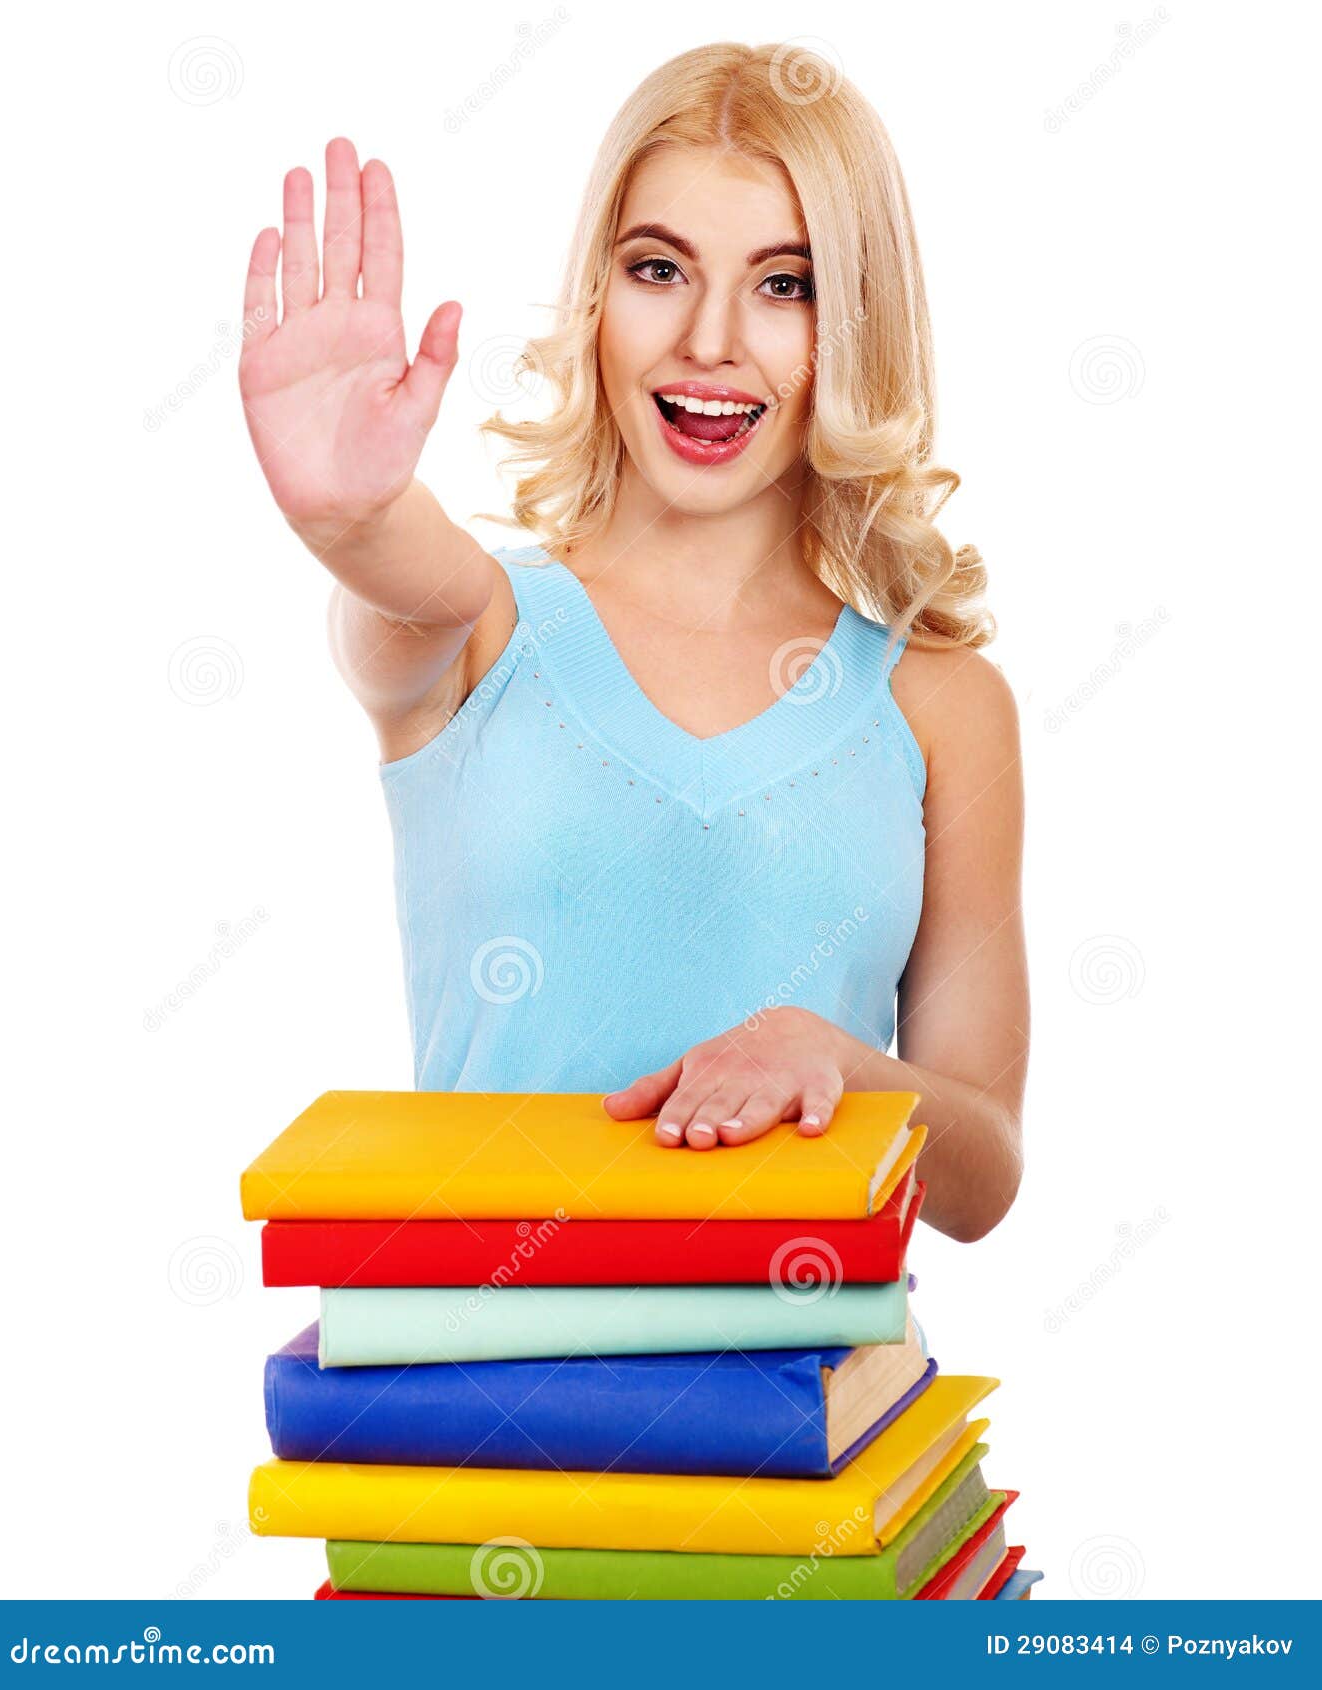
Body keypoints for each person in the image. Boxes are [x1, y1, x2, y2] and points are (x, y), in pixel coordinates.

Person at [238, 42, 1027, 1242]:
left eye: (783, 284)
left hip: (803, 1406)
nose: (709, 340)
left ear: (852, 322)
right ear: (597, 299)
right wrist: (350, 516)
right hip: (467, 1399)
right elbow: (413, 577)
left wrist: (833, 1062)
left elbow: (981, 1175)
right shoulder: (476, 635)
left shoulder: (941, 701)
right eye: (659, 269)